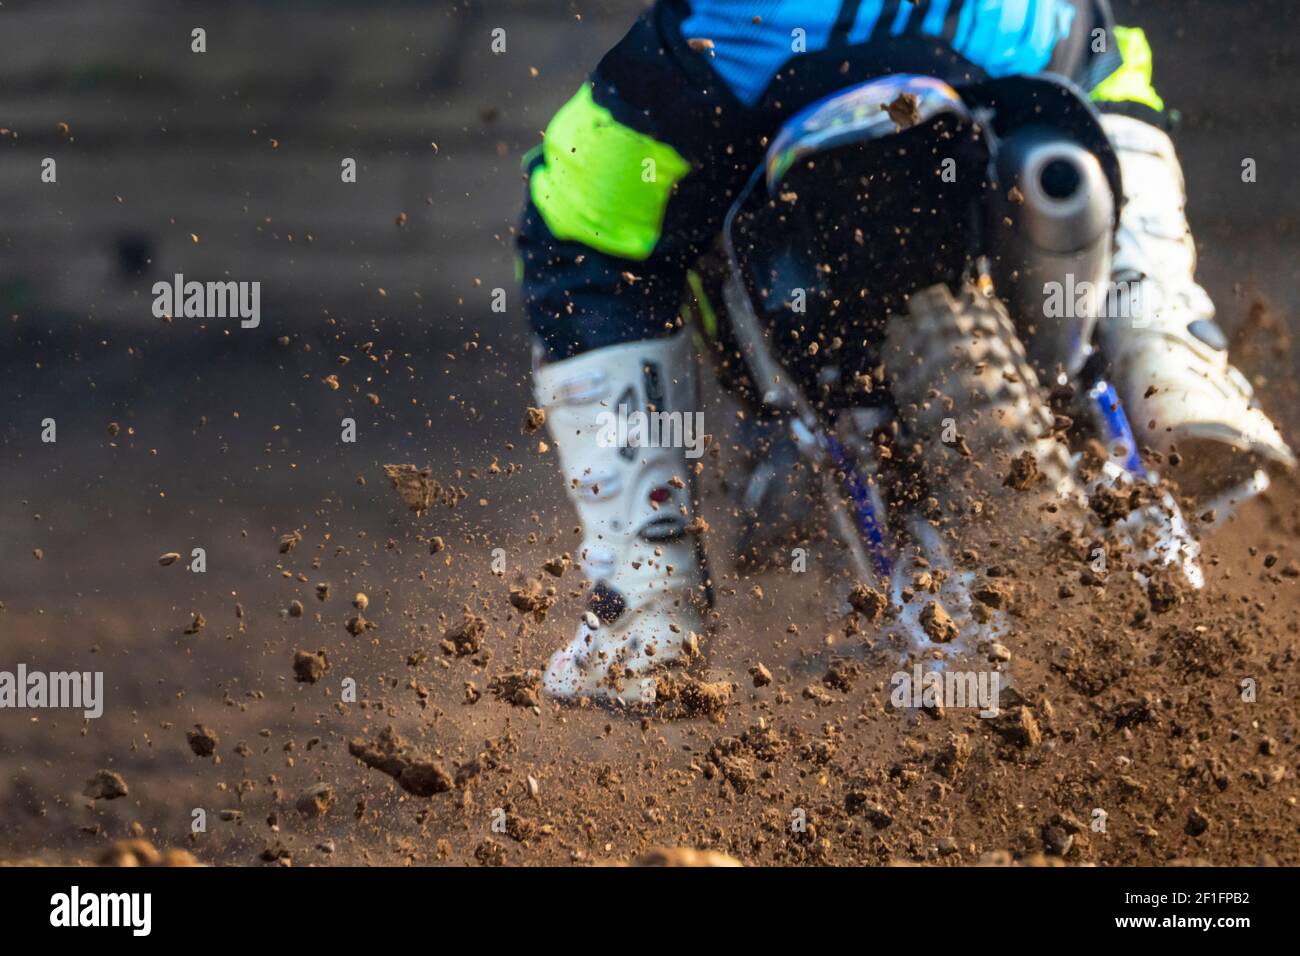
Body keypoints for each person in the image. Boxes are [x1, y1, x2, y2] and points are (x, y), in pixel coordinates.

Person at [517, 0, 1294, 704]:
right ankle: (1161, 339)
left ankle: (648, 584)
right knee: (1102, 57)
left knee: (574, 230)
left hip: (741, 49)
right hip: (998, 27)